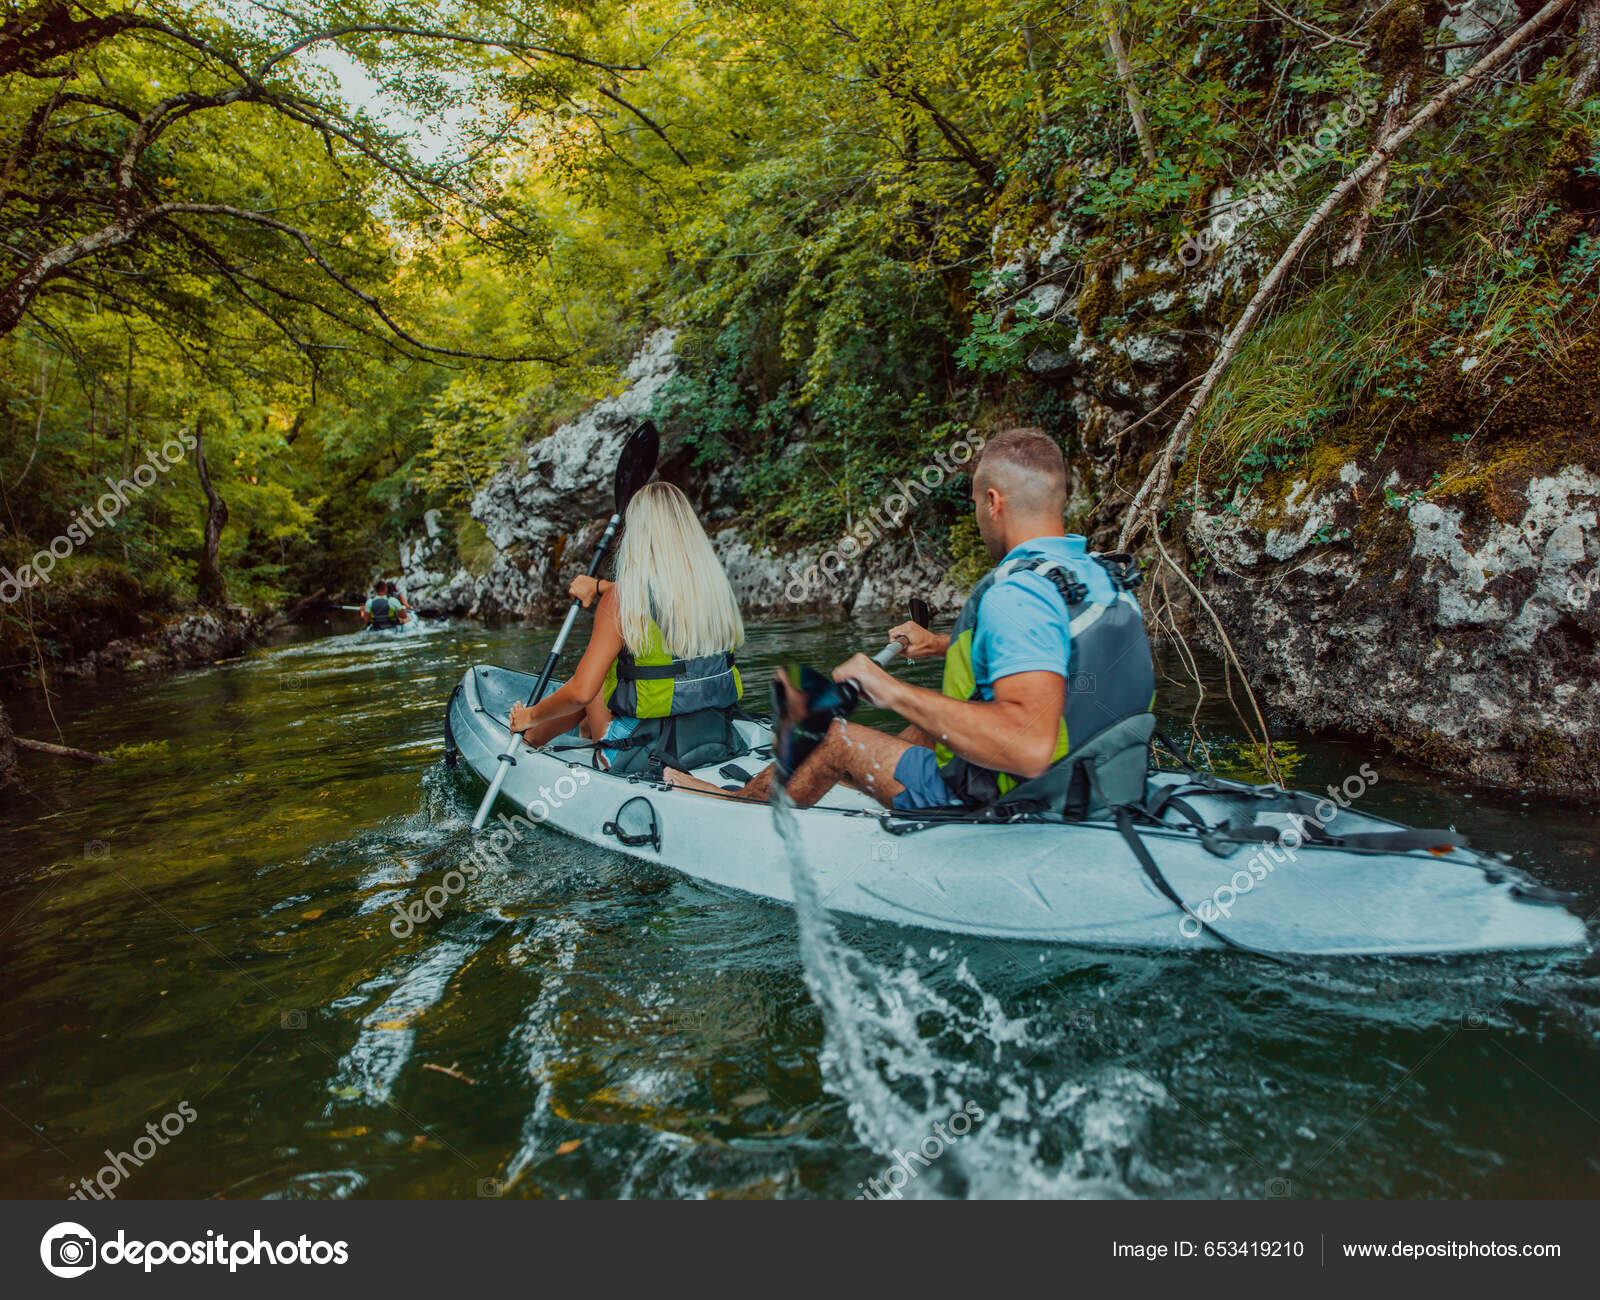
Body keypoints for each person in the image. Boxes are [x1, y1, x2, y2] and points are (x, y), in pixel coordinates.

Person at [668, 427, 1155, 812]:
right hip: (1100, 780)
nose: (979, 518)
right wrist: (941, 644)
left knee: (832, 739)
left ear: (993, 502)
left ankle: (737, 807)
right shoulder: (1098, 576)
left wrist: (888, 689)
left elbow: (1027, 746)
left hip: (1021, 794)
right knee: (940, 716)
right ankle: (859, 775)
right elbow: (1053, 650)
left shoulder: (1016, 592)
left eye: (975, 505)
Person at [508, 481, 749, 773]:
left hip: (646, 751)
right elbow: (662, 599)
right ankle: (579, 729)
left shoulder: (620, 601)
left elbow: (581, 693)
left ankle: (528, 738)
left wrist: (531, 714)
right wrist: (599, 586)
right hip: (716, 737)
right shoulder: (714, 589)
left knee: (595, 679)